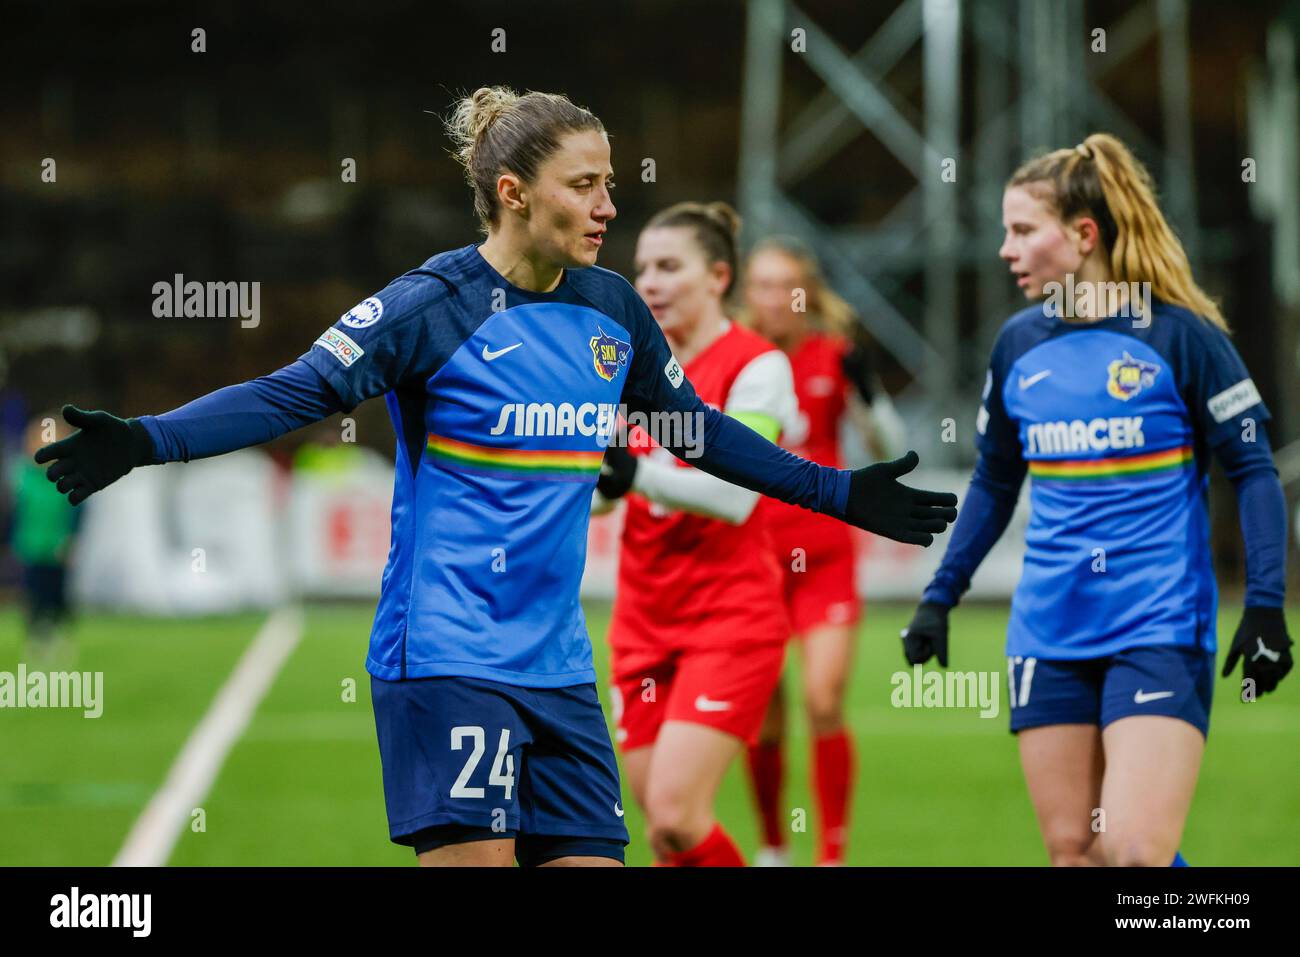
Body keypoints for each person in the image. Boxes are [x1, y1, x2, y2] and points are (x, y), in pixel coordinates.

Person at [35, 86, 958, 868]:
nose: (608, 207)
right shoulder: (430, 307)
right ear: (514, 193)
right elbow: (292, 394)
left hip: (557, 667)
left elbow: (699, 432)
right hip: (447, 657)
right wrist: (147, 439)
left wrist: (839, 493)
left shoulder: (611, 310)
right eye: (585, 185)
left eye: (609, 184)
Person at [901, 133, 1292, 866]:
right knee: (1075, 852)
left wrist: (1265, 602)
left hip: (1159, 623)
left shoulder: (1183, 337)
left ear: (1083, 235)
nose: (1004, 249)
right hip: (1049, 630)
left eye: (1022, 230)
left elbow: (1254, 471)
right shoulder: (1018, 344)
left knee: (1137, 853)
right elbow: (993, 480)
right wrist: (939, 595)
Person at [591, 202, 799, 866]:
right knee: (661, 831)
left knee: (680, 818)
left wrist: (634, 474)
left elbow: (736, 496)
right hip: (644, 620)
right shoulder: (623, 368)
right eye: (642, 267)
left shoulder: (758, 367)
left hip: (729, 617)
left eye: (669, 266)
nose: (649, 281)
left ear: (717, 275)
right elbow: (604, 497)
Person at [740, 237, 902, 866]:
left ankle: (831, 854)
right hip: (754, 556)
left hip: (824, 554)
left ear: (806, 291)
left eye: (786, 285)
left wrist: (871, 393)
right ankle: (773, 846)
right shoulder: (738, 359)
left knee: (824, 699)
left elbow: (887, 446)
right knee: (765, 715)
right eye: (761, 285)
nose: (774, 298)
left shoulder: (834, 356)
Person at [11, 412, 81, 655]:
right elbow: (16, 514)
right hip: (32, 545)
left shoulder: (67, 477)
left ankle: (59, 633)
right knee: (34, 593)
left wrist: (71, 539)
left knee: (56, 593)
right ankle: (36, 638)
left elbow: (76, 511)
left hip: (57, 546)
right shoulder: (23, 478)